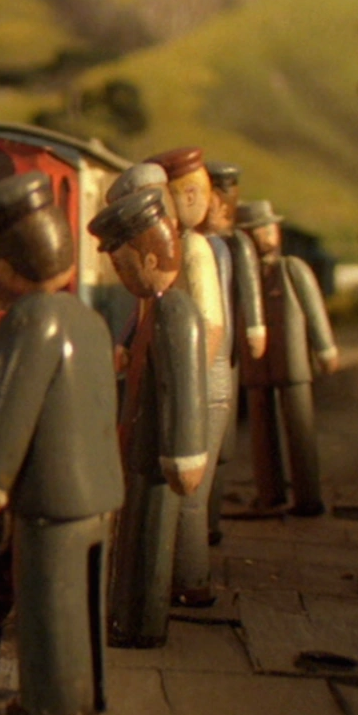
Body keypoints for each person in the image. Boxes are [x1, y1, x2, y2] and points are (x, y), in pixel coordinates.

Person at [0, 170, 125, 715]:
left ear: (4, 263)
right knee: (87, 601)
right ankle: (88, 693)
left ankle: (52, 705)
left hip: (52, 494)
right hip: (99, 487)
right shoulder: (88, 319)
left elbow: (5, 410)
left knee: (50, 600)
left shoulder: (29, 320)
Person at [88, 187, 207, 648]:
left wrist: (186, 452)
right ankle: (127, 616)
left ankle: (142, 622)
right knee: (134, 537)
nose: (120, 277)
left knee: (150, 539)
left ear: (150, 259)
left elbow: (184, 385)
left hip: (160, 453)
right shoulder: (153, 308)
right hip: (141, 448)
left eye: (123, 266)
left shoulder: (175, 310)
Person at [145, 147, 226, 607]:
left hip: (202, 385)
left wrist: (186, 384)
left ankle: (192, 581)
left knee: (191, 496)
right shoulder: (176, 246)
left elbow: (211, 324)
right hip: (189, 384)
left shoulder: (194, 250)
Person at [236, 200, 339, 516]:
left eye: (270, 228)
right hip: (255, 364)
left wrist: (325, 347)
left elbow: (314, 309)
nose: (267, 235)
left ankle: (308, 498)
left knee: (300, 428)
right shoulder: (240, 278)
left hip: (291, 358)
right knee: (261, 432)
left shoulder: (292, 268)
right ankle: (270, 494)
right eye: (258, 230)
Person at [199, 161, 266, 545]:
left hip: (225, 352)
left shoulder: (236, 244)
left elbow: (250, 288)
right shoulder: (194, 242)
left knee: (220, 442)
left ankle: (210, 519)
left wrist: (255, 327)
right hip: (200, 348)